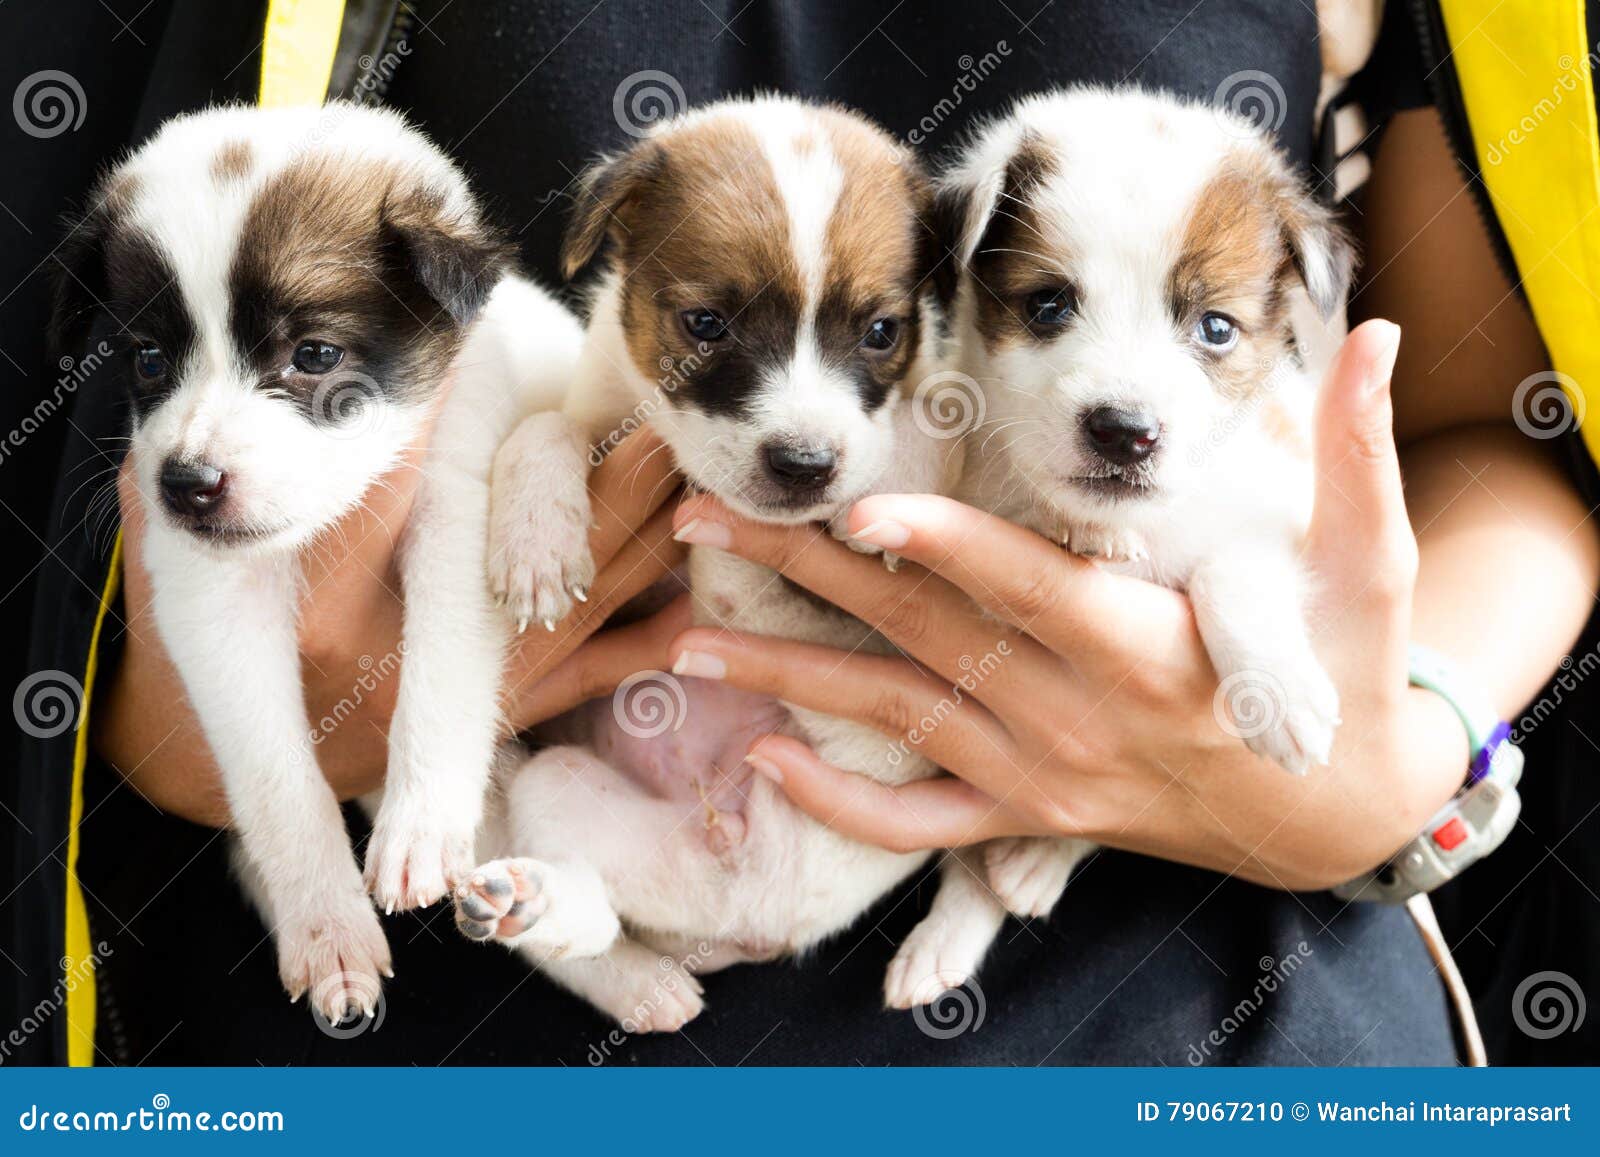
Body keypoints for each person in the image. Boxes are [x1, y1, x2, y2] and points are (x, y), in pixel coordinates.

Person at [10, 0, 1595, 1065]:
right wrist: (201, 735)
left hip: (1197, 1020)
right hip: (375, 1026)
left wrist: (1404, 751)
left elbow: (1503, 423)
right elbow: (92, 327)